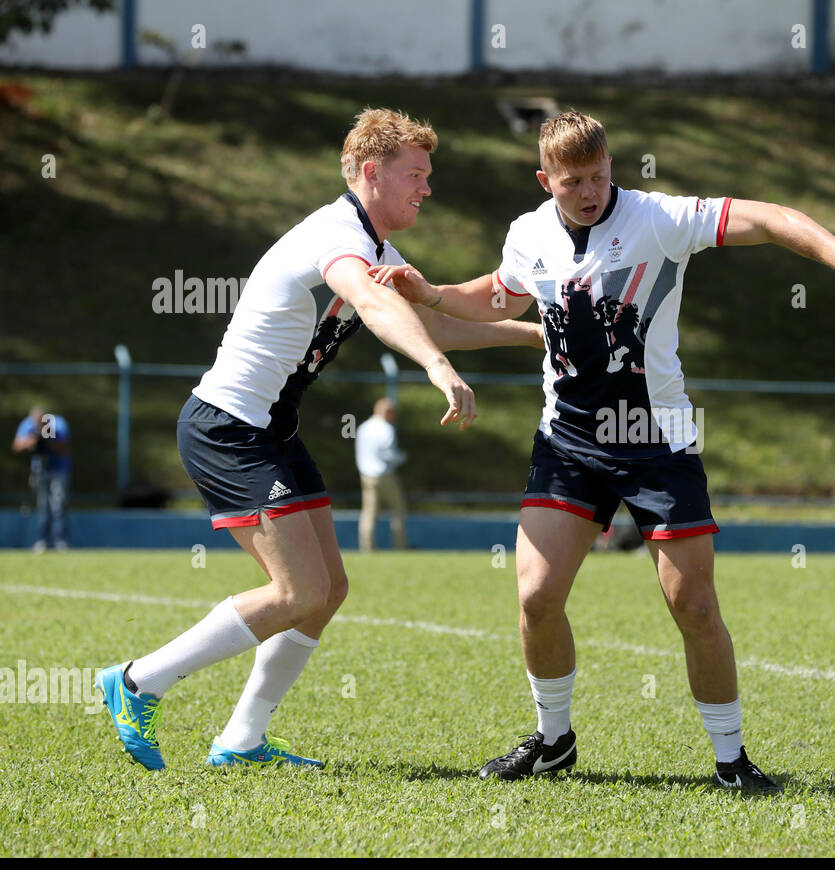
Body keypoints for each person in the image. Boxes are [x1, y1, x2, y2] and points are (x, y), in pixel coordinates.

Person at [369, 110, 835, 790]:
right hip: (568, 440)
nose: (589, 192)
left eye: (600, 177)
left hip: (657, 439)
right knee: (536, 596)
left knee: (692, 605)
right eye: (573, 182)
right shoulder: (528, 233)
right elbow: (498, 296)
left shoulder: (658, 218)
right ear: (545, 179)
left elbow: (772, 216)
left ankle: (731, 760)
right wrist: (430, 292)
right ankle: (553, 740)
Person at [96, 108, 544, 771]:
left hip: (271, 430)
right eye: (415, 175)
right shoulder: (337, 236)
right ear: (372, 173)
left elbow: (437, 322)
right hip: (228, 429)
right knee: (297, 590)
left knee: (328, 587)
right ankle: (137, 681)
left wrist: (538, 337)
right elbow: (369, 301)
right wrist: (436, 369)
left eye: (428, 176)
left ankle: (242, 739)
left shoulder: (376, 248)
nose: (426, 189)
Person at [11, 404, 70, 552]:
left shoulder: (59, 424)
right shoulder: (28, 424)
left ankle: (59, 541)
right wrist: (30, 441)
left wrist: (48, 438)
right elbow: (16, 446)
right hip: (40, 470)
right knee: (43, 507)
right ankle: (42, 541)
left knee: (58, 505)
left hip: (58, 470)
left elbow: (63, 450)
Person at [356, 397, 409, 551]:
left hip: (366, 476)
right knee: (398, 511)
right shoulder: (386, 428)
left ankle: (367, 548)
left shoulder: (363, 427)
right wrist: (402, 457)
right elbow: (388, 454)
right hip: (385, 475)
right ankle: (400, 546)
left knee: (369, 513)